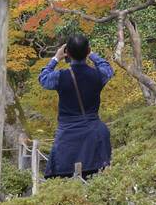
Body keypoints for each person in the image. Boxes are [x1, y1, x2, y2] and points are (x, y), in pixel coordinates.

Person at [38, 33, 113, 178]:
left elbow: (43, 78)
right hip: (94, 134)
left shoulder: (60, 76)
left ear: (67, 53)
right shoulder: (98, 75)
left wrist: (55, 58)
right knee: (97, 178)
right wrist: (92, 54)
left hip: (68, 136)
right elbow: (107, 68)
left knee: (62, 178)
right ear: (88, 50)